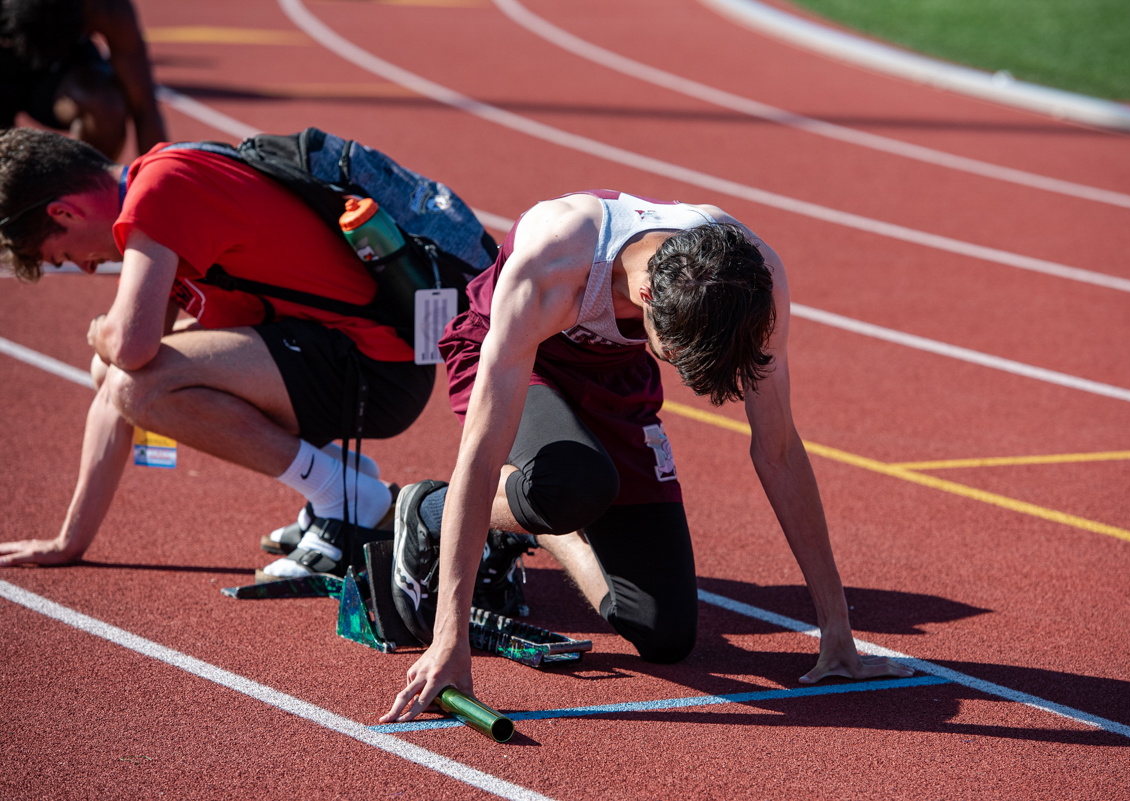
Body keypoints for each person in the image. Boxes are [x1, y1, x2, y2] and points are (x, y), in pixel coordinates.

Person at [382, 190, 915, 723]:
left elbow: (776, 449)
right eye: (675, 355)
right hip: (518, 355)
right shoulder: (553, 261)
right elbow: (479, 455)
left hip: (615, 377)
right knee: (574, 483)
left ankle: (542, 519)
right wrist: (447, 638)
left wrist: (838, 633)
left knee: (665, 633)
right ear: (644, 294)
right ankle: (429, 508)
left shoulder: (753, 281)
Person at [0, 128, 467, 575]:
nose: (84, 269)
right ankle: (345, 476)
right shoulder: (159, 183)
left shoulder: (159, 190)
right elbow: (120, 377)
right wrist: (69, 541)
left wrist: (100, 332)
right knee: (118, 380)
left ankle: (345, 499)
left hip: (376, 369)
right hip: (356, 356)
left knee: (138, 384)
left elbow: (130, 347)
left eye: (61, 257)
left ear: (64, 213)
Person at [1, 0, 166, 158]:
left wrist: (162, 176)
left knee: (105, 107)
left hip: (55, 75)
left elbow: (144, 106)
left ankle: (85, 182)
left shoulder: (105, 8)